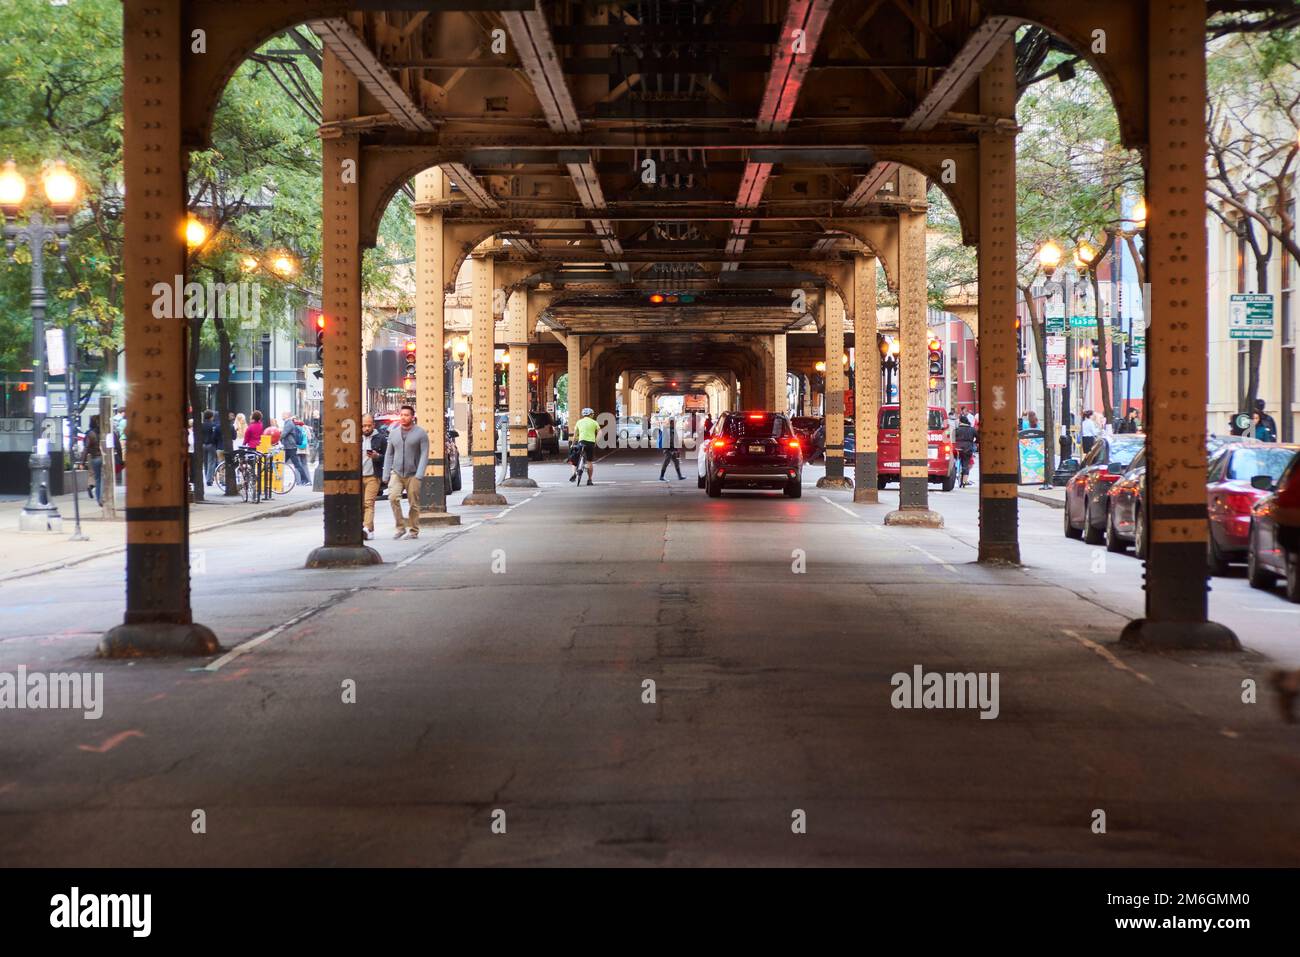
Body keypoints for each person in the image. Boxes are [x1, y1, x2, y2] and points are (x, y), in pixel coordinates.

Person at [383, 404, 428, 539]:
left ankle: (414, 530)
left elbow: (424, 454)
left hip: (413, 473)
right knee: (392, 497)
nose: (403, 417)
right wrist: (386, 473)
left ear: (412, 417)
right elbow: (389, 454)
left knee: (413, 503)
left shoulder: (420, 433)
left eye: (406, 415)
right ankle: (400, 527)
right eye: (402, 415)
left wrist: (420, 474)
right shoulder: (394, 433)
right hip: (396, 472)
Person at [360, 414, 387, 540]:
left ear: (373, 425)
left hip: (373, 476)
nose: (366, 428)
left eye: (368, 426)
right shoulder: (356, 438)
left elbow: (387, 457)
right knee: (360, 504)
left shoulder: (380, 439)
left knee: (368, 503)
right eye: (364, 426)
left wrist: (377, 456)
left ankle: (365, 528)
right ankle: (370, 530)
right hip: (359, 476)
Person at [569, 407, 599, 485]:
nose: (593, 415)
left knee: (575, 459)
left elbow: (575, 434)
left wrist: (572, 444)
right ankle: (589, 480)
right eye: (592, 414)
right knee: (589, 461)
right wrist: (596, 441)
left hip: (581, 442)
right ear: (590, 415)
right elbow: (600, 432)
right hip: (591, 443)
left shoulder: (579, 422)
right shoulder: (594, 422)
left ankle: (573, 474)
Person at [279, 411, 309, 485]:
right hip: (288, 447)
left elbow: (283, 434)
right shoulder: (288, 422)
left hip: (290, 447)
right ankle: (277, 480)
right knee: (281, 463)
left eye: (283, 414)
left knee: (296, 464)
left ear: (287, 415)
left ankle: (305, 479)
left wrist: (275, 440)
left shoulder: (289, 423)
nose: (282, 415)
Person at [84, 416, 103, 506]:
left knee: (98, 478)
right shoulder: (104, 432)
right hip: (105, 457)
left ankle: (99, 498)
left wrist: (82, 461)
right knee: (103, 479)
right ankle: (102, 497)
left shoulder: (90, 434)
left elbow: (86, 448)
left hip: (95, 457)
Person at [954, 414, 977, 488]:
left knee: (955, 459)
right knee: (966, 464)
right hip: (968, 448)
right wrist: (975, 442)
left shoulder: (956, 429)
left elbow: (951, 437)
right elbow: (978, 437)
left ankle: (955, 471)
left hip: (957, 448)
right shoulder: (972, 429)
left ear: (960, 422)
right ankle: (964, 481)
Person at [659, 416, 685, 481]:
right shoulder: (667, 429)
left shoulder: (673, 429)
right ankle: (661, 476)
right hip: (668, 449)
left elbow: (675, 439)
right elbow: (666, 440)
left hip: (673, 449)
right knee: (666, 462)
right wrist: (668, 448)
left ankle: (679, 476)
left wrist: (676, 449)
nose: (674, 423)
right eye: (673, 422)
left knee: (676, 462)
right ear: (671, 422)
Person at [200, 410, 220, 485]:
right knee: (211, 462)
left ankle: (206, 477)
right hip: (211, 444)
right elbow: (214, 436)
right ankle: (209, 479)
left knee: (205, 462)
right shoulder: (213, 425)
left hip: (203, 444)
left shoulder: (201, 425)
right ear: (211, 417)